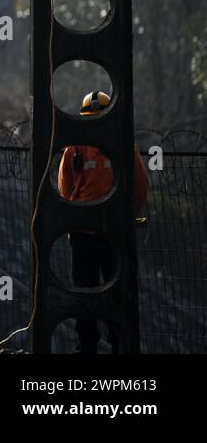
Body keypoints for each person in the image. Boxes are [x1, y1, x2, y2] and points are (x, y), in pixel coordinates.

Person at [56, 90, 149, 354]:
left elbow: (64, 191)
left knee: (85, 291)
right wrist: (127, 216)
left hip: (87, 233)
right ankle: (115, 342)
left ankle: (88, 346)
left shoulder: (75, 147)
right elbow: (140, 187)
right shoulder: (122, 145)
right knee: (111, 290)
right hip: (111, 232)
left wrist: (72, 221)